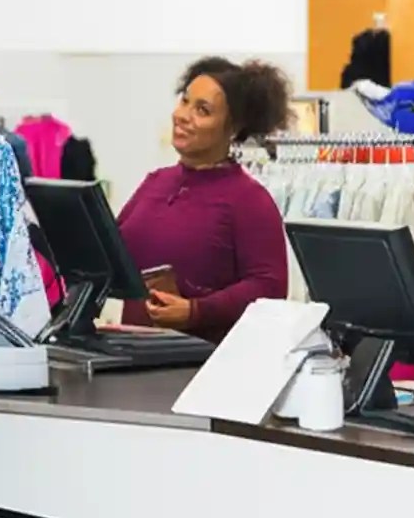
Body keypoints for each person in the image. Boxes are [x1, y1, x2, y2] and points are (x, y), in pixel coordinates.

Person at [117, 56, 291, 343]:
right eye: (185, 101)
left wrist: (195, 311)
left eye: (203, 110)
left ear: (233, 128)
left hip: (200, 368)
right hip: (134, 361)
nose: (183, 115)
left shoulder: (249, 200)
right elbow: (115, 254)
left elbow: (269, 287)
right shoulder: (156, 182)